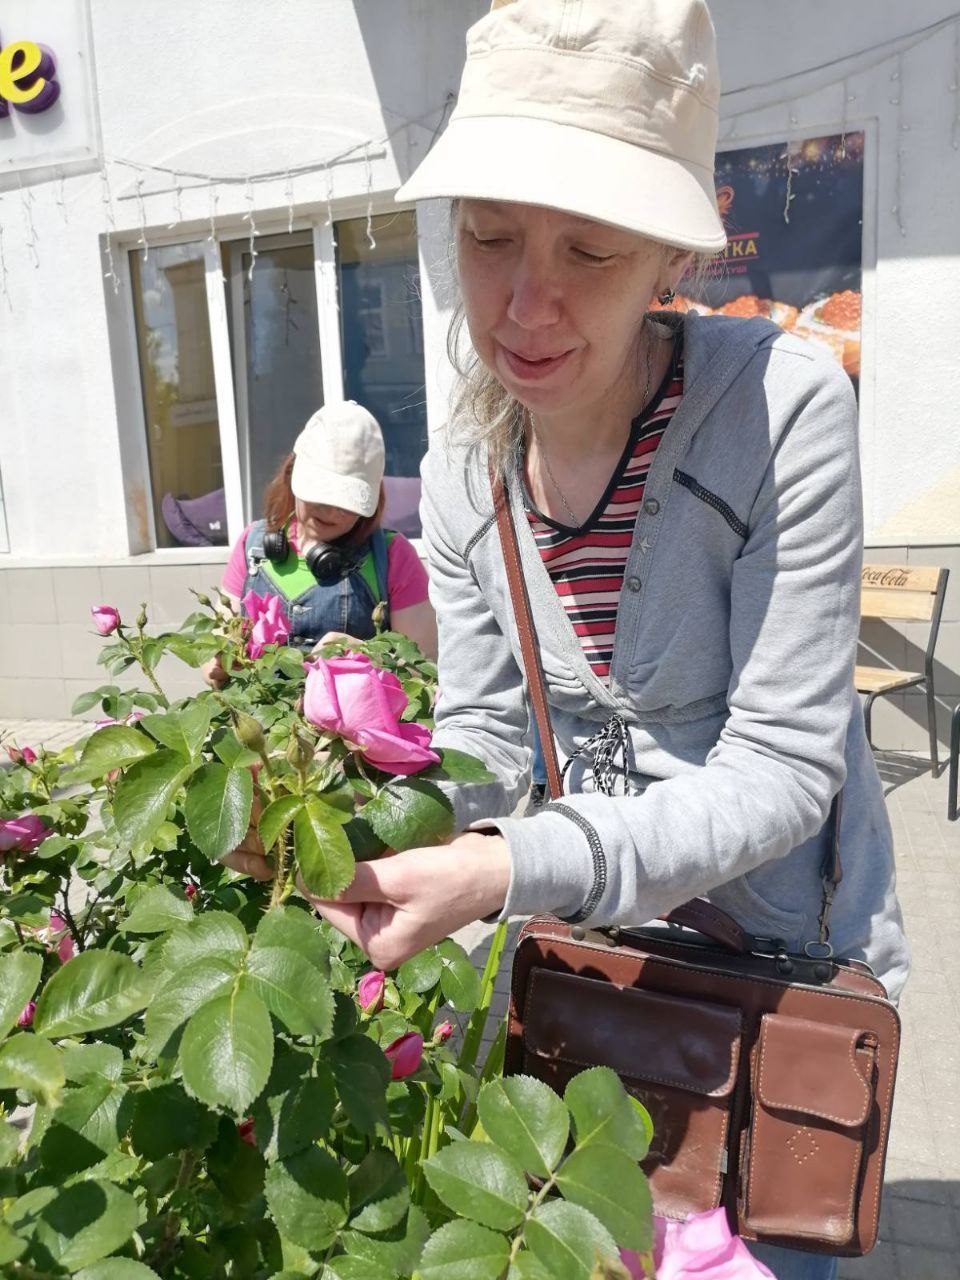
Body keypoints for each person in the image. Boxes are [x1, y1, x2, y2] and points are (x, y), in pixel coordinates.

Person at [300, 5, 908, 1276]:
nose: (526, 303)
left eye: (589, 250)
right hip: (590, 970)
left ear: (668, 261)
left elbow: (789, 772)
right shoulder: (468, 466)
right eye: (488, 238)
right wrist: (369, 814)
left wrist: (498, 867)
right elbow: (483, 737)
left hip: (776, 982)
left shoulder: (781, 411)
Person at [203, 401, 436, 690]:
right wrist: (219, 666)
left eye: (345, 501)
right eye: (321, 494)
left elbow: (425, 674)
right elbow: (215, 651)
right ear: (292, 476)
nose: (331, 510)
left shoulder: (391, 556)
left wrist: (368, 656)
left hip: (351, 735)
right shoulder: (251, 547)